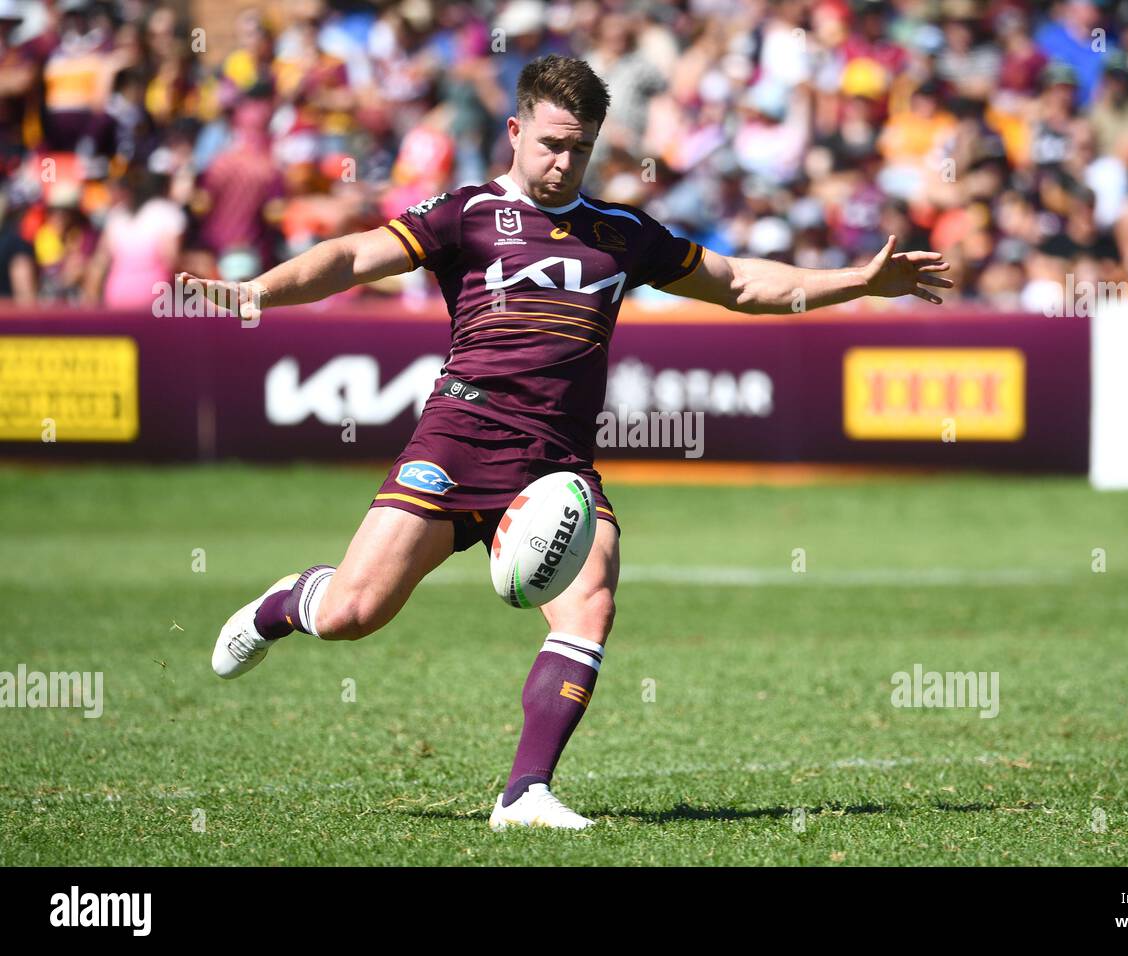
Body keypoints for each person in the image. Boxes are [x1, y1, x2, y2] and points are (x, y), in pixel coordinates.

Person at [179, 55, 951, 830]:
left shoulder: (621, 234)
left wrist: (857, 281)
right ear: (514, 131)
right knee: (353, 612)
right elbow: (350, 257)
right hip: (462, 436)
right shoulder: (468, 212)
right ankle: (285, 602)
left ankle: (525, 795)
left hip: (557, 463)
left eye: (579, 148)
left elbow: (742, 284)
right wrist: (254, 293)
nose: (563, 161)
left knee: (591, 604)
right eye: (550, 143)